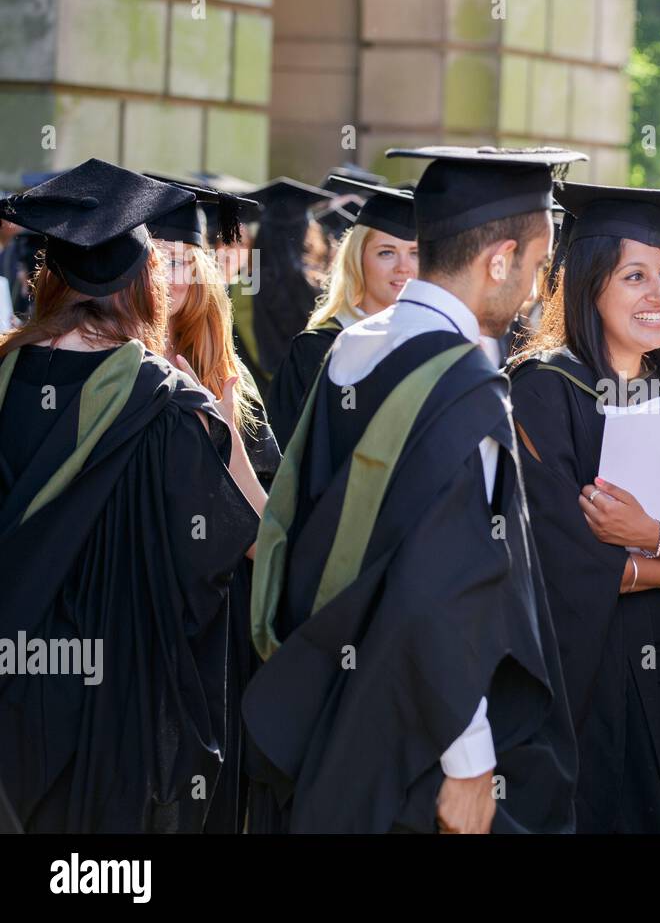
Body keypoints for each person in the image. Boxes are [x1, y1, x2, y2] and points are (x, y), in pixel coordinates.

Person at [240, 145, 581, 834]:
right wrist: (471, 761)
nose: (536, 288)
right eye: (537, 264)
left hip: (333, 703)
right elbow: (444, 591)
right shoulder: (464, 387)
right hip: (421, 740)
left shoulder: (353, 345)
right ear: (497, 260)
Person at [0, 159, 260, 831]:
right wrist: (226, 441)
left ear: (46, 278)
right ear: (144, 284)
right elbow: (221, 562)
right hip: (112, 720)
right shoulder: (170, 407)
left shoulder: (4, 377)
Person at [511, 182, 660, 833]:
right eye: (635, 276)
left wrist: (652, 536)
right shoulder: (543, 391)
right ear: (591, 284)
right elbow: (555, 560)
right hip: (579, 681)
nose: (659, 295)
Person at [148, 181, 278, 833]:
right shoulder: (108, 373)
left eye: (182, 262)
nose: (170, 279)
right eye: (155, 259)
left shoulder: (228, 375)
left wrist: (221, 439)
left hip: (216, 630)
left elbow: (266, 538)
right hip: (133, 621)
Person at [268, 177, 418, 443]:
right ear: (357, 259)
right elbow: (286, 453)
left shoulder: (434, 345)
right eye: (386, 253)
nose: (403, 267)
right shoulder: (318, 350)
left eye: (415, 253)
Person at [235, 178, 332, 398]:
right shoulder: (325, 294)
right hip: (306, 411)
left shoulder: (235, 292)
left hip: (251, 411)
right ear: (308, 236)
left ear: (261, 237)